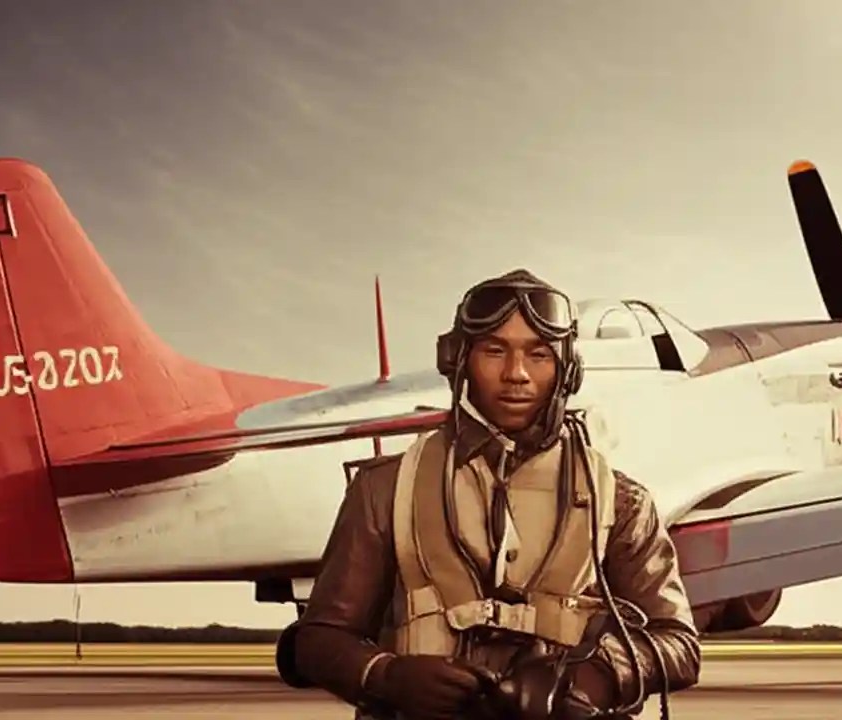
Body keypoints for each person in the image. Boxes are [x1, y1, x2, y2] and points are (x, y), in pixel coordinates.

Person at [281, 269, 701, 719]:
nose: (515, 374)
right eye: (494, 351)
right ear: (458, 361)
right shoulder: (386, 489)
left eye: (538, 354)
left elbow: (678, 644)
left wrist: (592, 678)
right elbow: (317, 639)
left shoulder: (618, 502)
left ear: (568, 369)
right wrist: (385, 676)